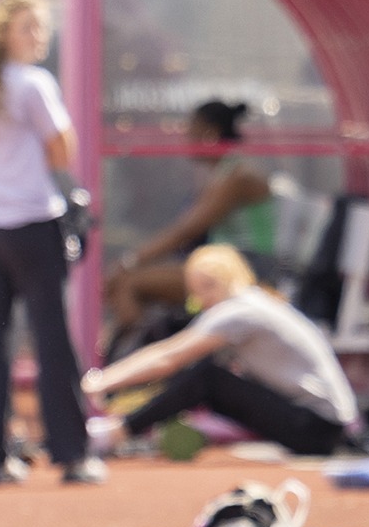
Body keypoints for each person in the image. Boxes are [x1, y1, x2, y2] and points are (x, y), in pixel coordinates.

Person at [0, 0, 101, 486]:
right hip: (30, 222)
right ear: (4, 34)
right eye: (29, 27)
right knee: (51, 338)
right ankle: (72, 453)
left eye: (42, 26)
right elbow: (62, 149)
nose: (40, 36)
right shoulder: (33, 83)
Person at [84, 245, 354, 457]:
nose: (202, 301)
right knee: (212, 374)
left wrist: (101, 382)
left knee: (208, 378)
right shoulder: (257, 301)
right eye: (196, 294)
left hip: (315, 428)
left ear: (226, 280)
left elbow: (168, 357)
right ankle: (123, 427)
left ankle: (117, 432)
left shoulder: (237, 312)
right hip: (325, 426)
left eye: (207, 288)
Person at [103, 100, 274, 344]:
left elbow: (185, 231)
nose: (186, 139)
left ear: (210, 134)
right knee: (127, 284)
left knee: (128, 285)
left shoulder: (237, 177)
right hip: (221, 264)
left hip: (245, 268)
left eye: (192, 131)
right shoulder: (221, 174)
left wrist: (128, 262)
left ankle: (144, 358)